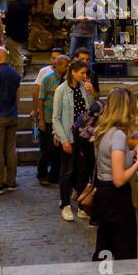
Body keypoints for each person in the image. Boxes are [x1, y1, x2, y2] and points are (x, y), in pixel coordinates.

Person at [90, 88, 138, 261]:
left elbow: (110, 161)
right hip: (115, 197)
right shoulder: (117, 136)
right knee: (124, 247)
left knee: (105, 245)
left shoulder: (103, 130)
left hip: (103, 193)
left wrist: (135, 151)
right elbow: (118, 179)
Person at [53, 58, 94, 221]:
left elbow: (90, 110)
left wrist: (91, 93)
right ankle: (65, 204)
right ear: (73, 72)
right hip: (69, 136)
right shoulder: (61, 90)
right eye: (82, 73)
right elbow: (56, 118)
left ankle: (81, 205)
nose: (85, 76)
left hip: (83, 136)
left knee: (82, 171)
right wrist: (63, 139)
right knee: (67, 171)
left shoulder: (83, 88)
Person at [0, 47, 23, 192]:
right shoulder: (15, 73)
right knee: (10, 148)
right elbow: (18, 96)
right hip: (12, 114)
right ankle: (11, 181)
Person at [34, 54, 68, 187]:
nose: (67, 68)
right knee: (46, 149)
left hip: (60, 119)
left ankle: (54, 175)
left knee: (56, 150)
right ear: (58, 66)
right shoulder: (47, 79)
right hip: (48, 118)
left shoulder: (66, 80)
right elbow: (40, 99)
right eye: (66, 65)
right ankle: (42, 174)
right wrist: (41, 120)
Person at [68, 0, 102, 67]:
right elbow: (69, 20)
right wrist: (78, 19)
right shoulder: (76, 5)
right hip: (77, 34)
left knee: (89, 57)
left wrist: (92, 20)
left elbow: (102, 21)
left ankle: (89, 75)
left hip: (90, 35)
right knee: (71, 54)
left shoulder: (96, 6)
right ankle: (70, 73)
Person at [3, 0, 32, 77]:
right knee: (15, 55)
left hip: (14, 35)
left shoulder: (12, 6)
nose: (6, 0)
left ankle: (19, 74)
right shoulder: (24, 4)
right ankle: (14, 73)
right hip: (22, 34)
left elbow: (10, 22)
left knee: (16, 56)